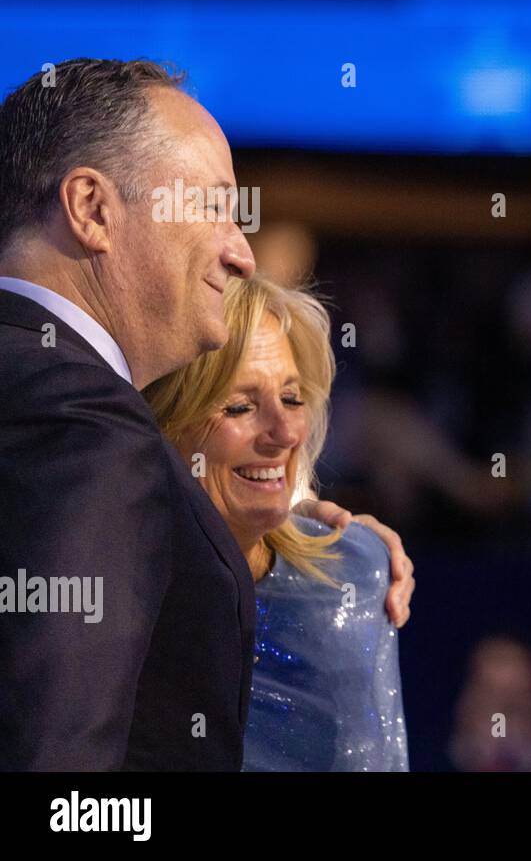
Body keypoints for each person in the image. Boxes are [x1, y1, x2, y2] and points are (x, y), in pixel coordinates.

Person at [0, 58, 411, 770]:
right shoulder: (89, 423)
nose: (242, 252)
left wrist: (294, 528)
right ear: (92, 209)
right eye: (212, 206)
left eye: (292, 399)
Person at [145, 274, 409, 771]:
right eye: (240, 406)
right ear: (164, 423)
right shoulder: (117, 594)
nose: (285, 432)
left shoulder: (354, 568)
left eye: (292, 399)